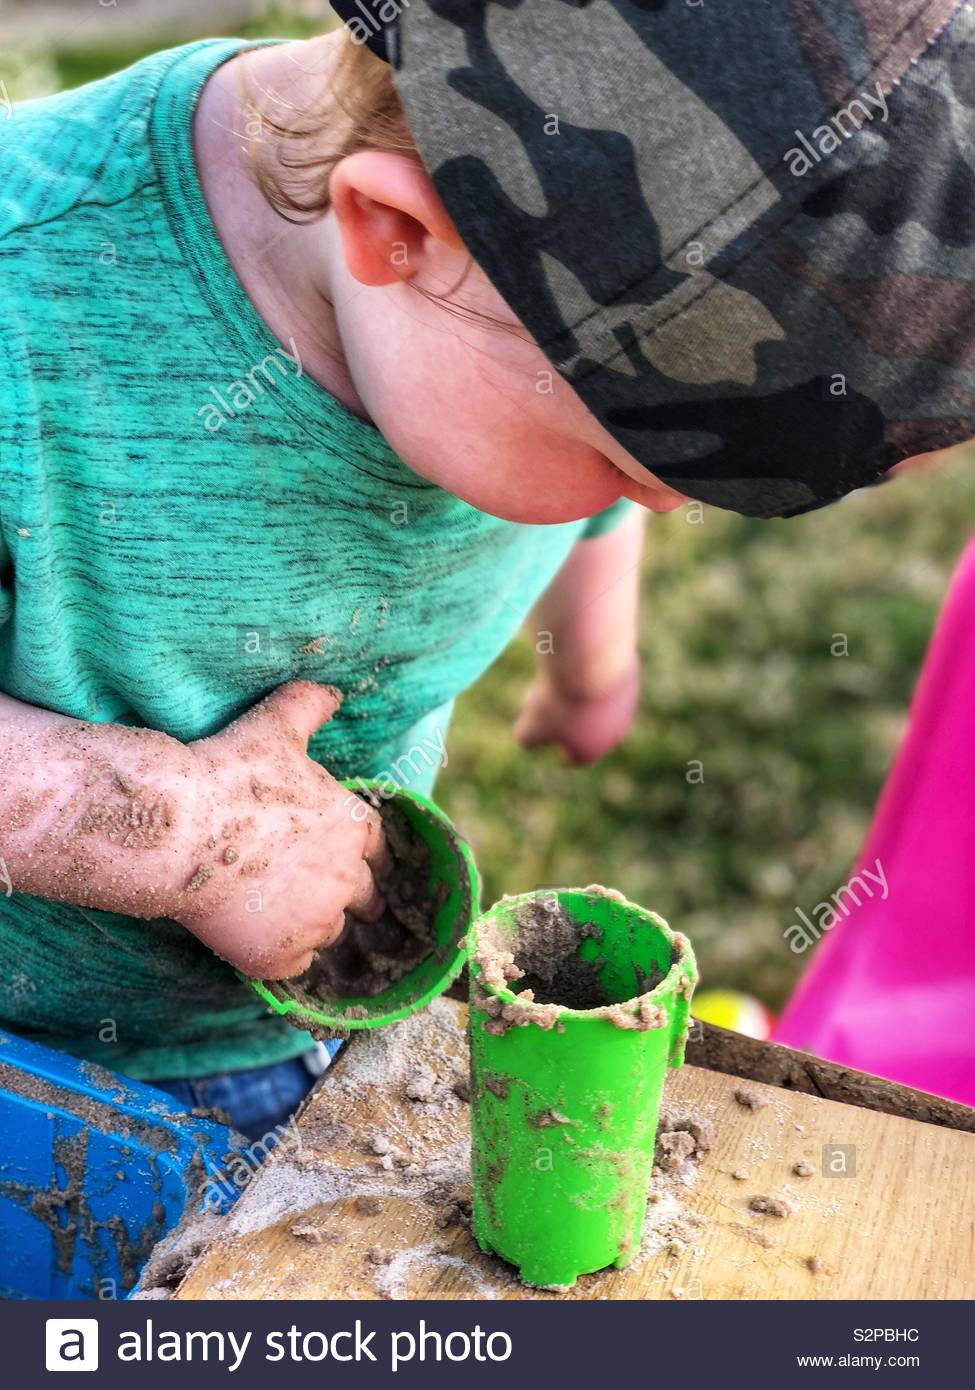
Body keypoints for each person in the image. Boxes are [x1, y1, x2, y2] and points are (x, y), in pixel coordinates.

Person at [1, 3, 969, 1137]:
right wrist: (191, 839)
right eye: (625, 463)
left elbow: (589, 501)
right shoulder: (33, 318)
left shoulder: (494, 328)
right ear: (393, 230)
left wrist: (590, 664)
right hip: (47, 1067)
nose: (655, 504)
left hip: (298, 1009)